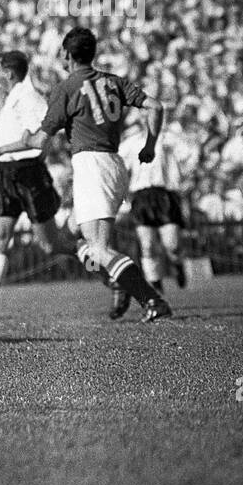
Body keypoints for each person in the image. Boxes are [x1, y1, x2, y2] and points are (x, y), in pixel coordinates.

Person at [18, 27, 171, 322]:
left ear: (67, 54)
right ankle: (120, 281)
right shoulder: (112, 81)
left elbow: (39, 142)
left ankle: (149, 298)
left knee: (98, 250)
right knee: (76, 236)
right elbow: (155, 106)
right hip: (113, 164)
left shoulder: (67, 87)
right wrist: (149, 146)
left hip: (92, 166)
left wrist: (25, 137)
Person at [0, 50, 76, 320]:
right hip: (6, 173)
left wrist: (0, 150)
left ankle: (103, 265)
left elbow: (38, 139)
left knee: (50, 244)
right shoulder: (12, 98)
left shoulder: (30, 98)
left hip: (29, 174)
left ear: (9, 73)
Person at [112, 120, 188, 318]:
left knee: (172, 244)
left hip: (164, 194)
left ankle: (177, 264)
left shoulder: (166, 137)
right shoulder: (130, 142)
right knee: (147, 246)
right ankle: (155, 286)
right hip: (141, 196)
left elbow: (186, 154)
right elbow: (119, 166)